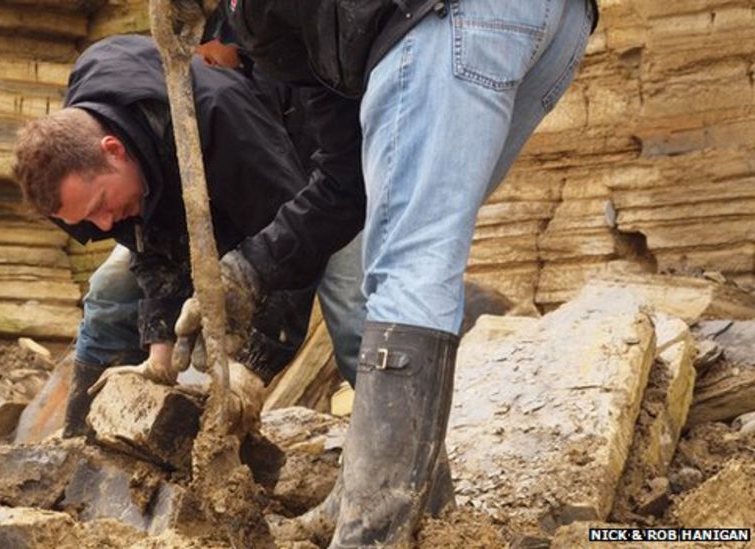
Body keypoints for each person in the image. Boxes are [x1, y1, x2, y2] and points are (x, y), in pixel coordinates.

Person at [166, 0, 600, 545]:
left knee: (410, 265)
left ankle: (371, 533)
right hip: (554, 24)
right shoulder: (299, 24)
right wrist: (250, 272)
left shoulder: (256, 15)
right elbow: (349, 184)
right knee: (411, 244)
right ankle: (381, 501)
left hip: (455, 19)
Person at [12, 34, 366, 438]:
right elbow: (145, 236)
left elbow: (293, 247)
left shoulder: (219, 113)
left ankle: (403, 473)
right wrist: (159, 356)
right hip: (193, 190)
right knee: (110, 291)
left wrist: (252, 367)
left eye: (101, 206)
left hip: (315, 184)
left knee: (355, 318)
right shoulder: (80, 156)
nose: (105, 225)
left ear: (114, 149)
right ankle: (83, 444)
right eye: (91, 219)